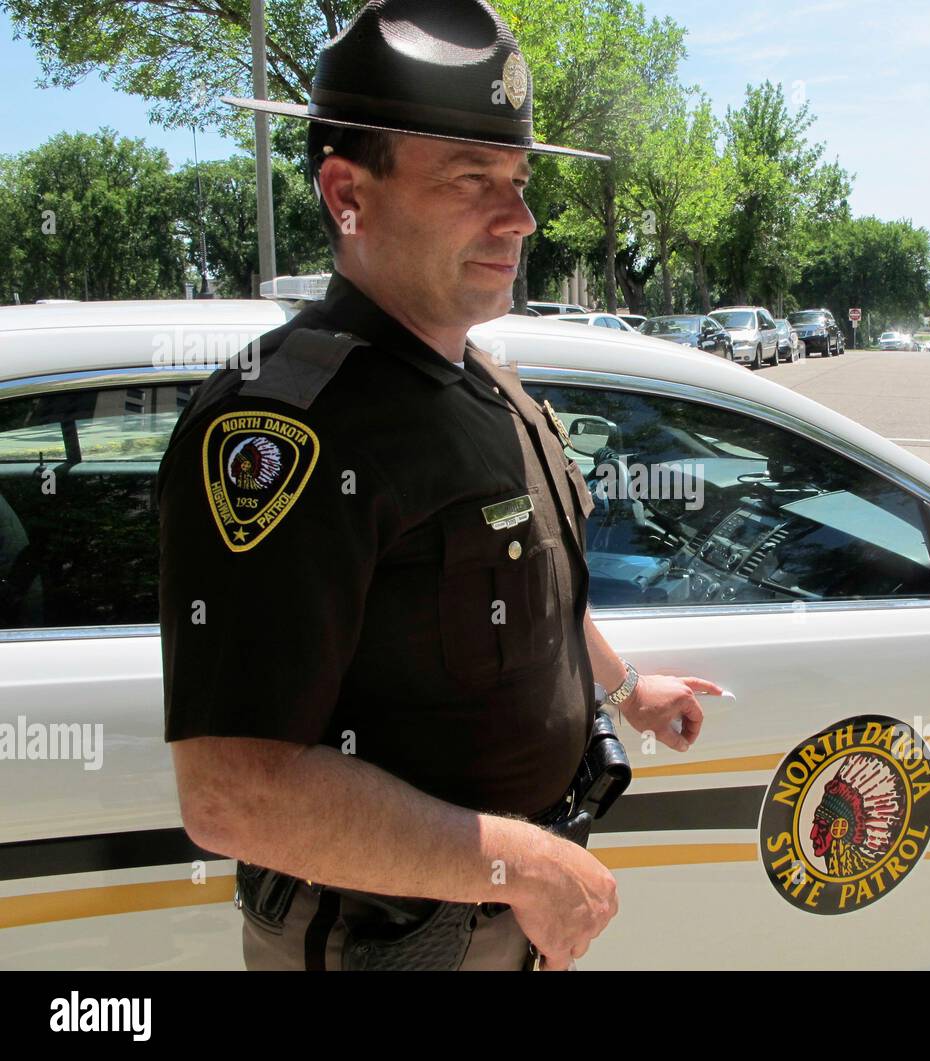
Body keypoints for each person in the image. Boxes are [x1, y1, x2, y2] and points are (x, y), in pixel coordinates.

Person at [157, 0, 722, 972]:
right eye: (472, 181)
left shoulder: (483, 384)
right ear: (348, 195)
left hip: (500, 923)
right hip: (394, 944)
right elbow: (232, 790)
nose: (521, 216)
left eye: (518, 178)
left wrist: (623, 687)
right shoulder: (282, 430)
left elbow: (521, 585)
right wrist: (523, 866)